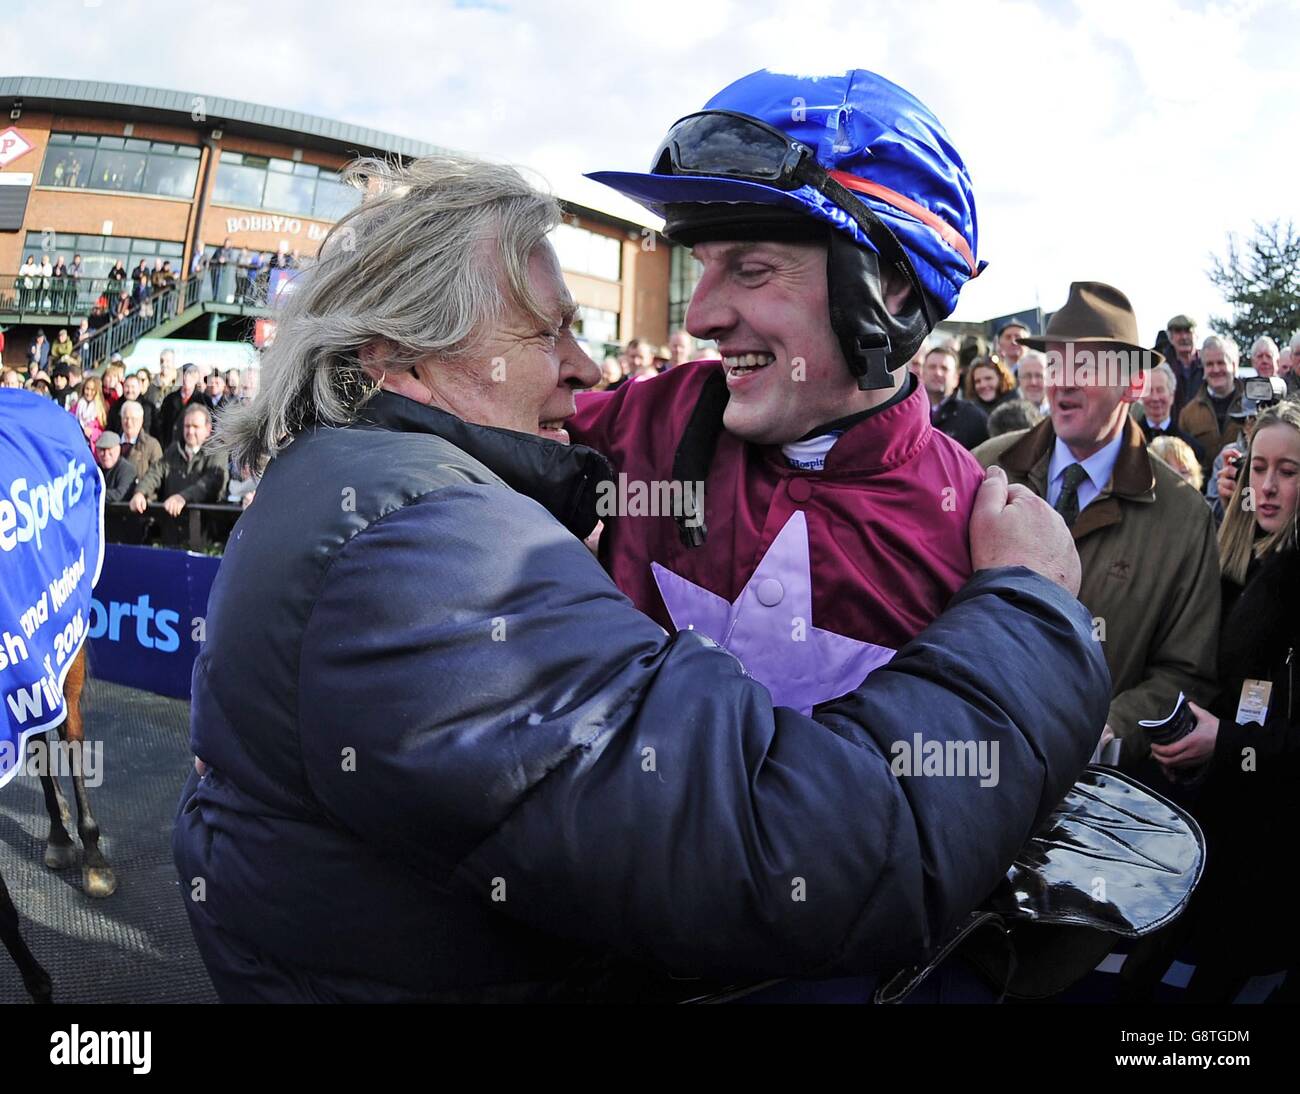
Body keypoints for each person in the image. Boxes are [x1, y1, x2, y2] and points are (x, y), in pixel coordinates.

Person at [173, 150, 1106, 1005]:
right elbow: (794, 847)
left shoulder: (374, 482)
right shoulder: (432, 548)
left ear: (890, 286)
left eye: (749, 266)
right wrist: (1027, 618)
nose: (692, 319)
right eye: (549, 334)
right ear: (401, 359)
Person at [974, 281, 1221, 774]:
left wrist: (1102, 728)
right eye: (1056, 365)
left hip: (1093, 797)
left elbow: (1185, 671)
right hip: (973, 767)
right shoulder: (985, 468)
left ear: (1133, 385)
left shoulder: (1183, 516)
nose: (1063, 382)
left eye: (1084, 368)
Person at [1121, 399, 1300, 1002]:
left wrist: (1227, 743)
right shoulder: (1245, 553)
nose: (1268, 487)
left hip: (1269, 851)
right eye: (1258, 468)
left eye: (1288, 471)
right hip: (1211, 820)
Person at [131, 403, 228, 545]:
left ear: (208, 429)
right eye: (187, 426)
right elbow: (156, 472)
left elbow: (211, 482)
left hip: (201, 536)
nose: (190, 431)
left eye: (195, 427)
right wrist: (140, 492)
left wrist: (183, 497)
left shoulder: (217, 451)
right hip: (171, 532)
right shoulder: (173, 450)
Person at [1178, 334, 1245, 477]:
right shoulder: (1188, 413)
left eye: (1221, 363)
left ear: (1233, 365)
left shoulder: (1251, 407)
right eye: (1209, 364)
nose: (1215, 369)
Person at [1135, 361, 1204, 464]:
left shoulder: (1192, 448)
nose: (1155, 398)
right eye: (1149, 391)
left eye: (1160, 390)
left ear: (1171, 396)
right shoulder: (1128, 440)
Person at [922, 345, 988, 449]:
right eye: (932, 367)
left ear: (956, 378)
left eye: (944, 369)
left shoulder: (974, 417)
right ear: (922, 374)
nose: (937, 373)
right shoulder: (908, 411)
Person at [157, 363, 215, 448]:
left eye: (191, 375)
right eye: (184, 375)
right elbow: (161, 424)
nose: (186, 378)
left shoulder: (204, 400)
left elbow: (210, 425)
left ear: (196, 378)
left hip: (196, 447)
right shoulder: (169, 399)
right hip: (172, 447)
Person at [1165, 313, 1202, 416]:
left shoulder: (1208, 366)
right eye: (1178, 332)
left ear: (1196, 336)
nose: (1184, 337)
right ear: (1171, 338)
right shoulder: (1163, 368)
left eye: (1188, 331)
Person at [94, 430, 139, 504]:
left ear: (118, 449)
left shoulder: (127, 470)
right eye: (102, 450)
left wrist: (94, 493)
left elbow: (119, 494)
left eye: (109, 449)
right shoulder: (96, 470)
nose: (106, 454)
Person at [107, 372, 156, 436]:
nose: (130, 390)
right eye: (127, 386)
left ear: (139, 388)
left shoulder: (148, 407)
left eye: (133, 387)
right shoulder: (116, 407)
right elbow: (110, 429)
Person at [72, 373, 108, 447]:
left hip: (92, 448)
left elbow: (104, 431)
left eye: (92, 390)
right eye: (87, 389)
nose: (89, 393)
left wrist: (92, 432)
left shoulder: (101, 409)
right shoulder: (77, 405)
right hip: (77, 442)